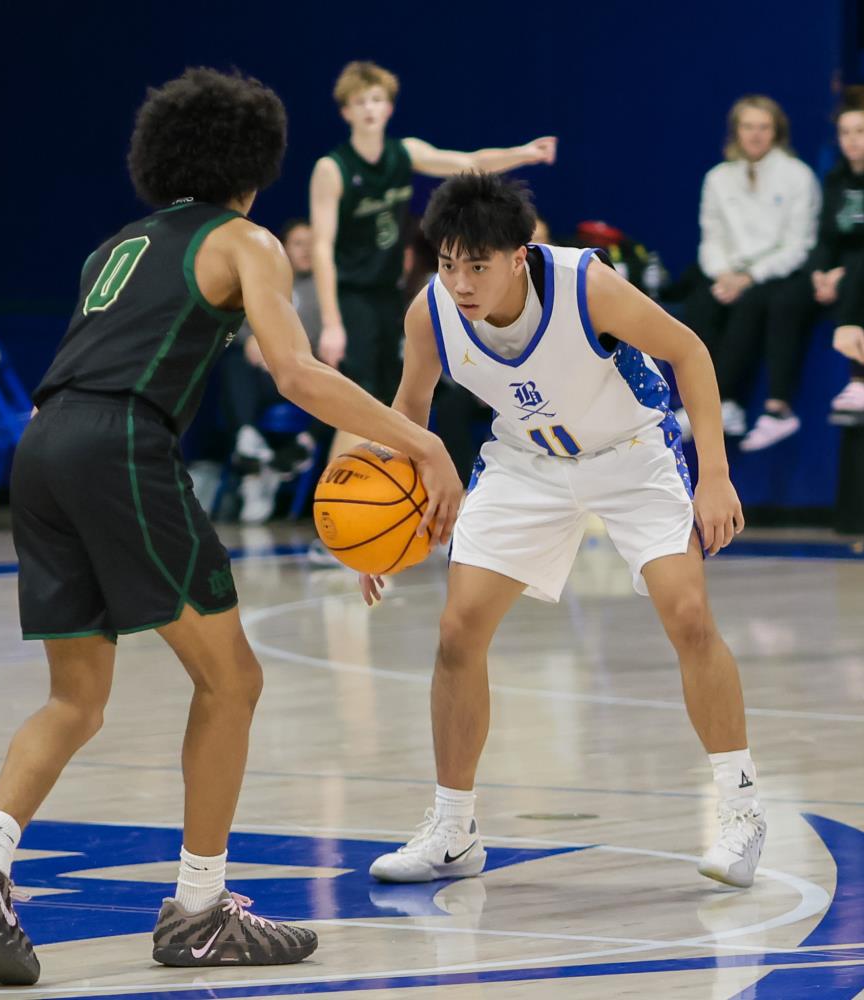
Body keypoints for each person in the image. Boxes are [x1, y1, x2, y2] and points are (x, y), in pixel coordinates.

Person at [0, 67, 462, 985]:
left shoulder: (114, 248)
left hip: (43, 447)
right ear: (253, 163)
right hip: (121, 446)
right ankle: (201, 910)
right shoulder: (246, 239)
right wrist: (423, 441)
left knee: (76, 699)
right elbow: (295, 372)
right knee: (232, 679)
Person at [362, 172, 766, 891]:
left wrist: (715, 474)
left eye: (477, 266)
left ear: (519, 256)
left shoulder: (587, 285)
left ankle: (741, 812)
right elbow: (410, 409)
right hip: (526, 463)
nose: (460, 283)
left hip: (632, 452)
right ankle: (454, 833)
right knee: (457, 631)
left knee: (688, 615)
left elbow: (691, 352)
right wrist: (378, 536)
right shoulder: (431, 313)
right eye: (448, 264)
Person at [306, 61, 555, 562]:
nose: (370, 109)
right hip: (352, 296)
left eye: (377, 100)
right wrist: (331, 321)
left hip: (388, 295)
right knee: (356, 405)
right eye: (360, 102)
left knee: (387, 407)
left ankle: (385, 513)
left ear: (389, 107)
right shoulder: (332, 169)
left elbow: (469, 161)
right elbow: (322, 248)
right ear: (346, 111)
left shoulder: (405, 153)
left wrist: (523, 153)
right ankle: (336, 522)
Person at [680, 95, 821, 450]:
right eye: (748, 127)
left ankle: (712, 403)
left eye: (763, 127)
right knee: (700, 304)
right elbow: (711, 237)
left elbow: (798, 244)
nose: (755, 135)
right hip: (727, 273)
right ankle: (723, 405)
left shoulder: (798, 176)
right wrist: (723, 274)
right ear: (736, 132)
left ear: (776, 132)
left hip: (774, 273)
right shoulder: (718, 178)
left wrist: (750, 277)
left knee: (753, 304)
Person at [221, 218, 320, 522]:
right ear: (284, 248)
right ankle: (247, 440)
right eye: (299, 244)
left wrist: (290, 353)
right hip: (267, 375)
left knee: (344, 370)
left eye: (311, 244)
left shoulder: (325, 287)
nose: (306, 251)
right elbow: (238, 326)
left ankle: (301, 447)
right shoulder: (267, 280)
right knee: (235, 361)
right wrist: (252, 341)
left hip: (307, 374)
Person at [781, 86, 864, 422]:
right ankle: (778, 406)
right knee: (786, 295)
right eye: (845, 132)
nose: (852, 140)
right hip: (840, 270)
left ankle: (858, 378)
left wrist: (842, 273)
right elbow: (826, 238)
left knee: (859, 265)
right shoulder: (835, 179)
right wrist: (819, 274)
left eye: (860, 131)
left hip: (856, 269)